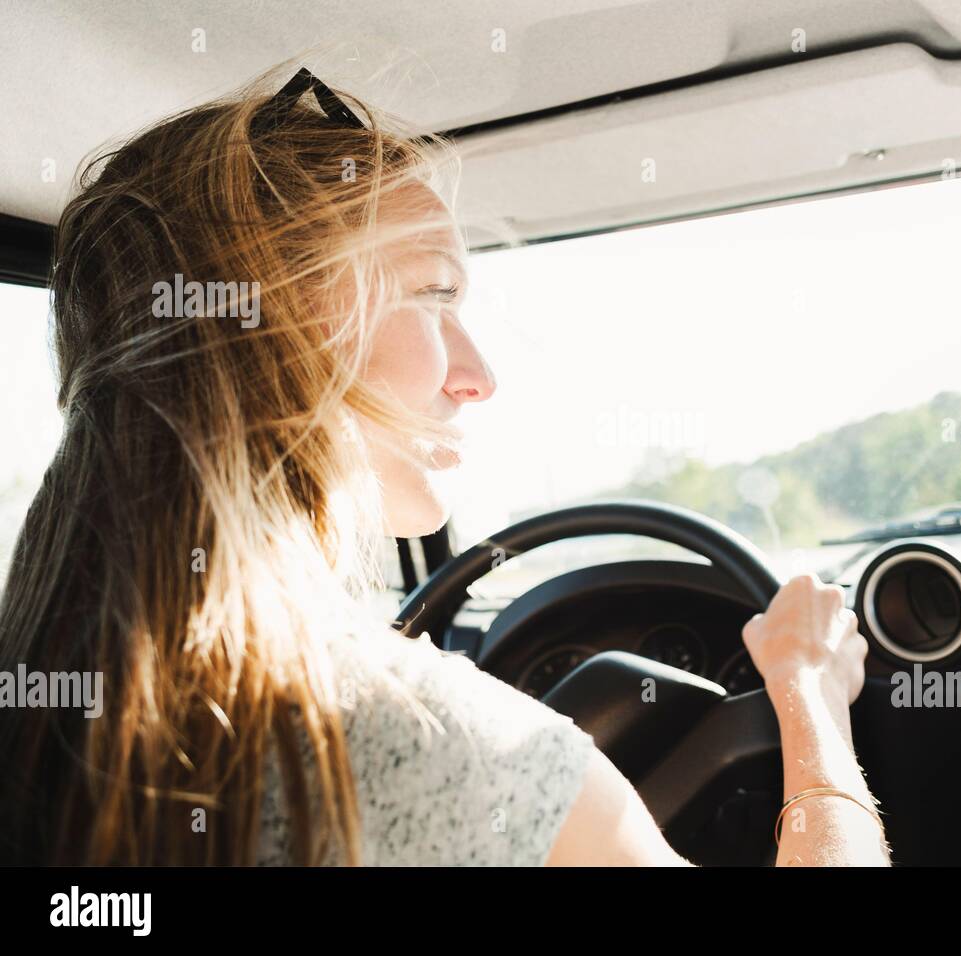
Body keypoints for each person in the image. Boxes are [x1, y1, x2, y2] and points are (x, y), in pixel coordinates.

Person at [0, 68, 889, 867]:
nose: (480, 376)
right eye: (432, 294)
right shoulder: (434, 741)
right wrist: (810, 696)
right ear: (286, 330)